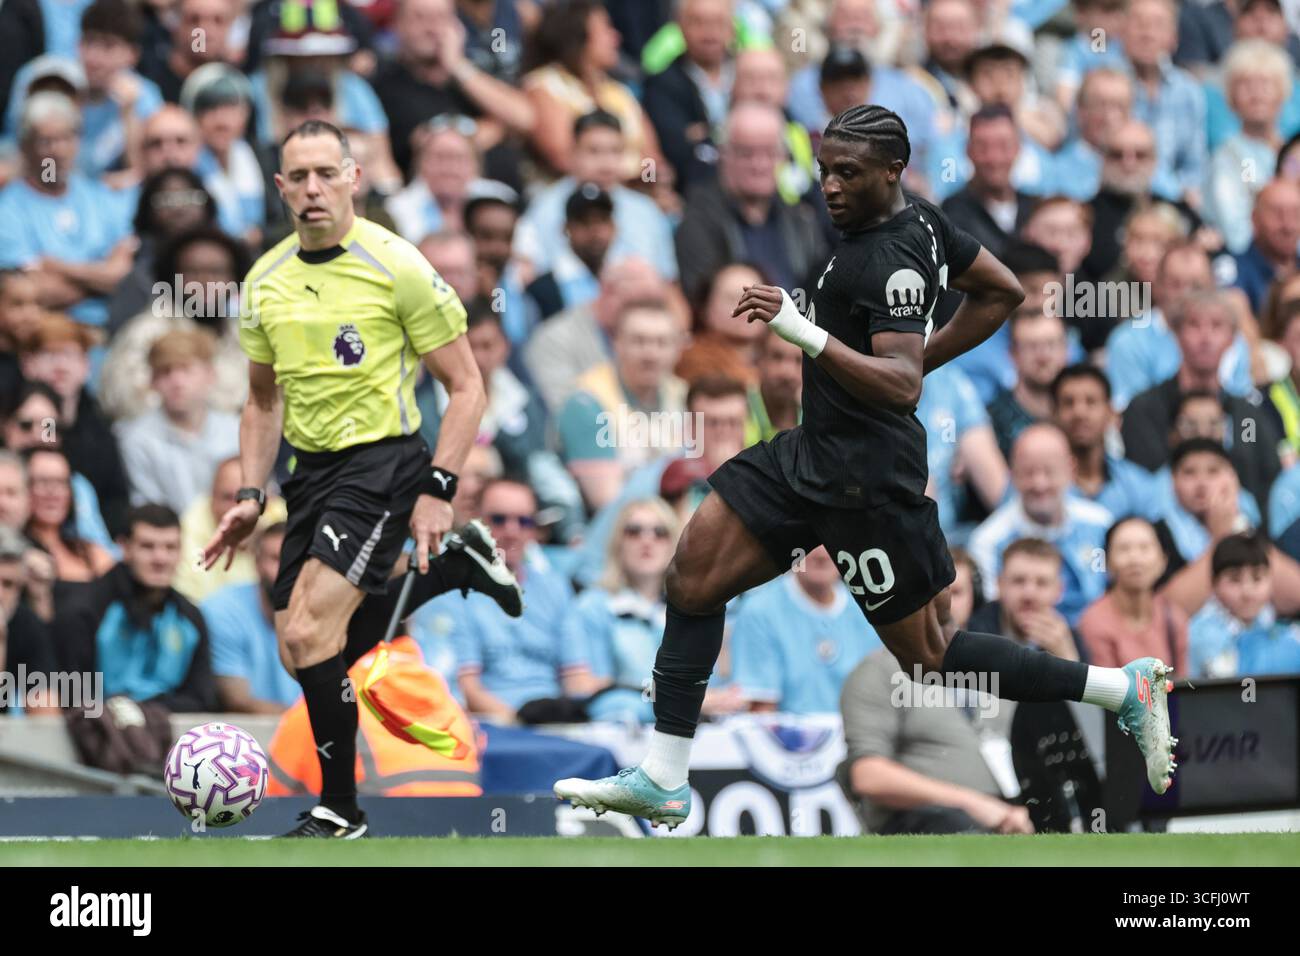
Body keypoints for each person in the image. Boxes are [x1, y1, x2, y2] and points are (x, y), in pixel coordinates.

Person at [554, 105, 1178, 831]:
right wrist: (910, 357)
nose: (830, 186)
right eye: (823, 170)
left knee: (931, 656)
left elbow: (902, 385)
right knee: (691, 575)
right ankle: (664, 775)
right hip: (810, 452)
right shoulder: (921, 221)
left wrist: (805, 333)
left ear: (892, 172)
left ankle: (1119, 688)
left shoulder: (892, 261)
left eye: (848, 173)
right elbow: (1002, 290)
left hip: (869, 481)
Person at [202, 120, 522, 839]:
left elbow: (467, 386)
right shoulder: (265, 282)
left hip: (383, 462)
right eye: (298, 177)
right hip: (308, 472)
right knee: (303, 646)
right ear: (280, 187)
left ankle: (339, 808)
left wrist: (438, 487)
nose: (312, 189)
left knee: (313, 630)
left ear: (353, 178)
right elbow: (260, 400)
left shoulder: (397, 265)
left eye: (326, 173)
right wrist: (252, 494)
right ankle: (449, 571)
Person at [53, 504, 218, 712]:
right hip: (98, 735)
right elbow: (73, 700)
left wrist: (146, 713)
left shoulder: (191, 618)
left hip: (170, 737)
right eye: (148, 547)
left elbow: (202, 700)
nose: (160, 559)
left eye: (170, 547)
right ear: (125, 548)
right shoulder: (83, 611)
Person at [968, 424, 1114, 625]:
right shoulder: (988, 542)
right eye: (1028, 472)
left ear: (1070, 470)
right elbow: (995, 618)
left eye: (1049, 471)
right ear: (1013, 474)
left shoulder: (1101, 524)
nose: (1040, 484)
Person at [731, 544, 883, 713]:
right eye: (810, 542)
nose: (821, 555)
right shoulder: (760, 611)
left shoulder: (867, 611)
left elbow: (877, 702)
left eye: (830, 542)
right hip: (785, 737)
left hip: (855, 734)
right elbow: (761, 710)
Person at [115, 327, 240, 515]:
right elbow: (149, 510)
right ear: (152, 381)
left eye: (186, 369)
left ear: (210, 374)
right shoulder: (135, 439)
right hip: (169, 540)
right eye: (165, 372)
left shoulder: (236, 430)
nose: (177, 381)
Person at [203, 521, 300, 713]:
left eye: (295, 561)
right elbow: (237, 700)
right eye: (276, 559)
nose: (286, 571)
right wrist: (313, 721)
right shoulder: (223, 609)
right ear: (257, 563)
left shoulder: (327, 614)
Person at [1079, 516, 1190, 672]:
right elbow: (1105, 692)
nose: (1135, 559)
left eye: (1145, 548)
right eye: (1124, 549)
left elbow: (1182, 685)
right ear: (1108, 562)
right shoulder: (1094, 621)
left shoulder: (1174, 618)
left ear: (1163, 561)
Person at [1188, 531, 1300, 676]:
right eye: (1235, 579)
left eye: (1257, 578)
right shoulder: (1204, 635)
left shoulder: (1273, 625)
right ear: (1214, 584)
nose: (1247, 592)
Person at [966, 538, 1086, 662]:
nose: (1029, 594)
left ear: (1059, 591)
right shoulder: (973, 633)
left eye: (1042, 583)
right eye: (1019, 580)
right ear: (1000, 585)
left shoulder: (1069, 638)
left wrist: (1067, 659)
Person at [987, 305, 1070, 458]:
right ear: (1013, 354)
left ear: (1067, 350)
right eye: (1032, 347)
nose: (1043, 357)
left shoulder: (1079, 412)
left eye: (1051, 345)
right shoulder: (992, 419)